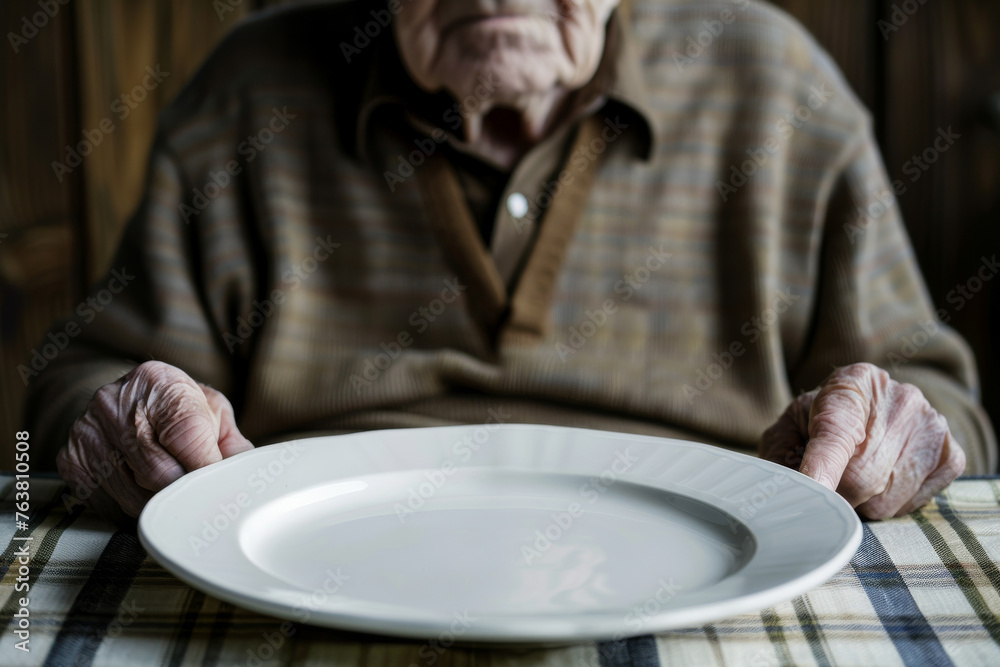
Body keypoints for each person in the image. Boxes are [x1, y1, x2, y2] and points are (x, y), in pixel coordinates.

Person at [25, 0, 996, 525]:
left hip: (710, 566)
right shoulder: (247, 91)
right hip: (316, 568)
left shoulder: (774, 83)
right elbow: (86, 385)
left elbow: (932, 400)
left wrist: (892, 426)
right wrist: (116, 417)